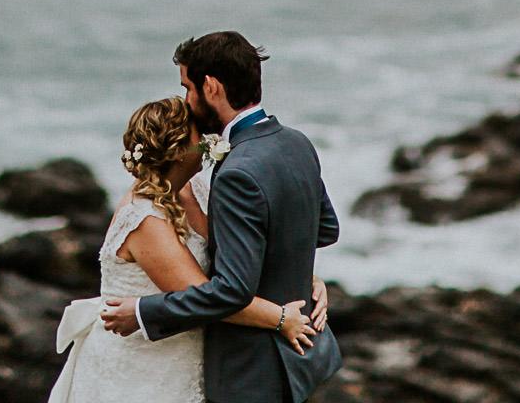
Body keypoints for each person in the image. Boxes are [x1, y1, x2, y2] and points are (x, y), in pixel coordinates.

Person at [98, 32, 343, 403]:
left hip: (249, 370)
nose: (187, 100)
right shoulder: (296, 142)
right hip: (295, 360)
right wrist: (298, 276)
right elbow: (324, 229)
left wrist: (143, 311)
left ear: (211, 87)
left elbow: (232, 290)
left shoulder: (236, 172)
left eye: (188, 87)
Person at [48, 94, 321, 403]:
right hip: (143, 373)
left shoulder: (196, 189)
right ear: (178, 152)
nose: (206, 141)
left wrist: (308, 278)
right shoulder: (144, 220)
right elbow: (206, 296)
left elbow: (239, 255)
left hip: (185, 360)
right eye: (198, 136)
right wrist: (281, 318)